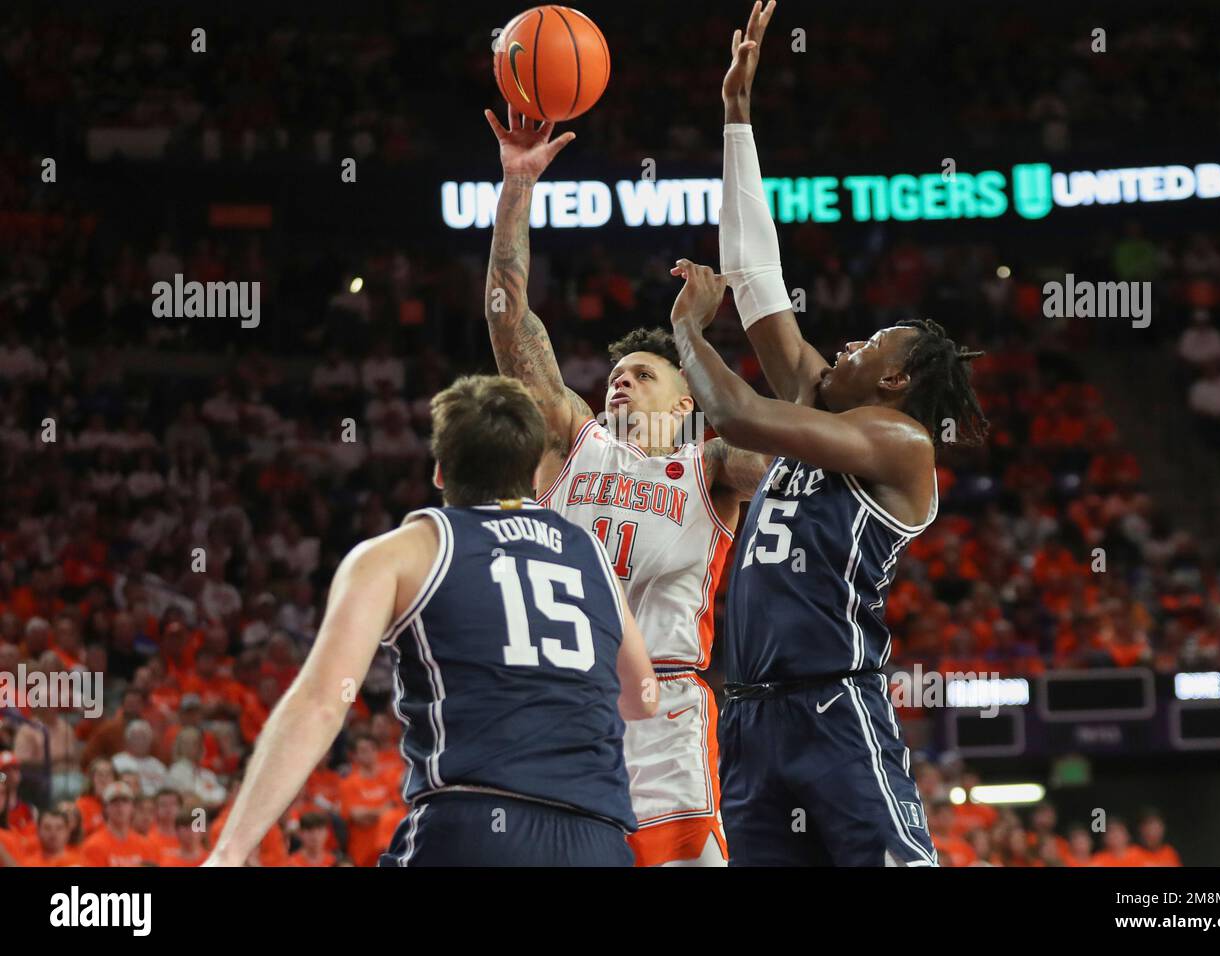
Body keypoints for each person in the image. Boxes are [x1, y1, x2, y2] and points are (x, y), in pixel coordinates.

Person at [660, 1, 988, 865]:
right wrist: (737, 120)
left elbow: (735, 414)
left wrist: (688, 332)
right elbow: (755, 274)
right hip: (751, 712)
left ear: (894, 379)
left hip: (834, 707)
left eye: (868, 341)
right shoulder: (824, 406)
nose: (842, 341)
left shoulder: (897, 444)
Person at [204, 376, 656, 866]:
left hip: (475, 827)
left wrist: (228, 852)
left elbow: (320, 704)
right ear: (531, 472)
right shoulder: (589, 553)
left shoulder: (407, 550)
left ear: (440, 471)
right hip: (598, 839)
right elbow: (641, 697)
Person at [482, 102, 769, 868]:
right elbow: (513, 326)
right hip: (558, 704)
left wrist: (693, 339)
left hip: (667, 716)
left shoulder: (710, 465)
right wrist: (516, 187)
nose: (619, 383)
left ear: (685, 402)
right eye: (613, 375)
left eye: (641, 375)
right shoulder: (572, 443)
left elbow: (790, 457)